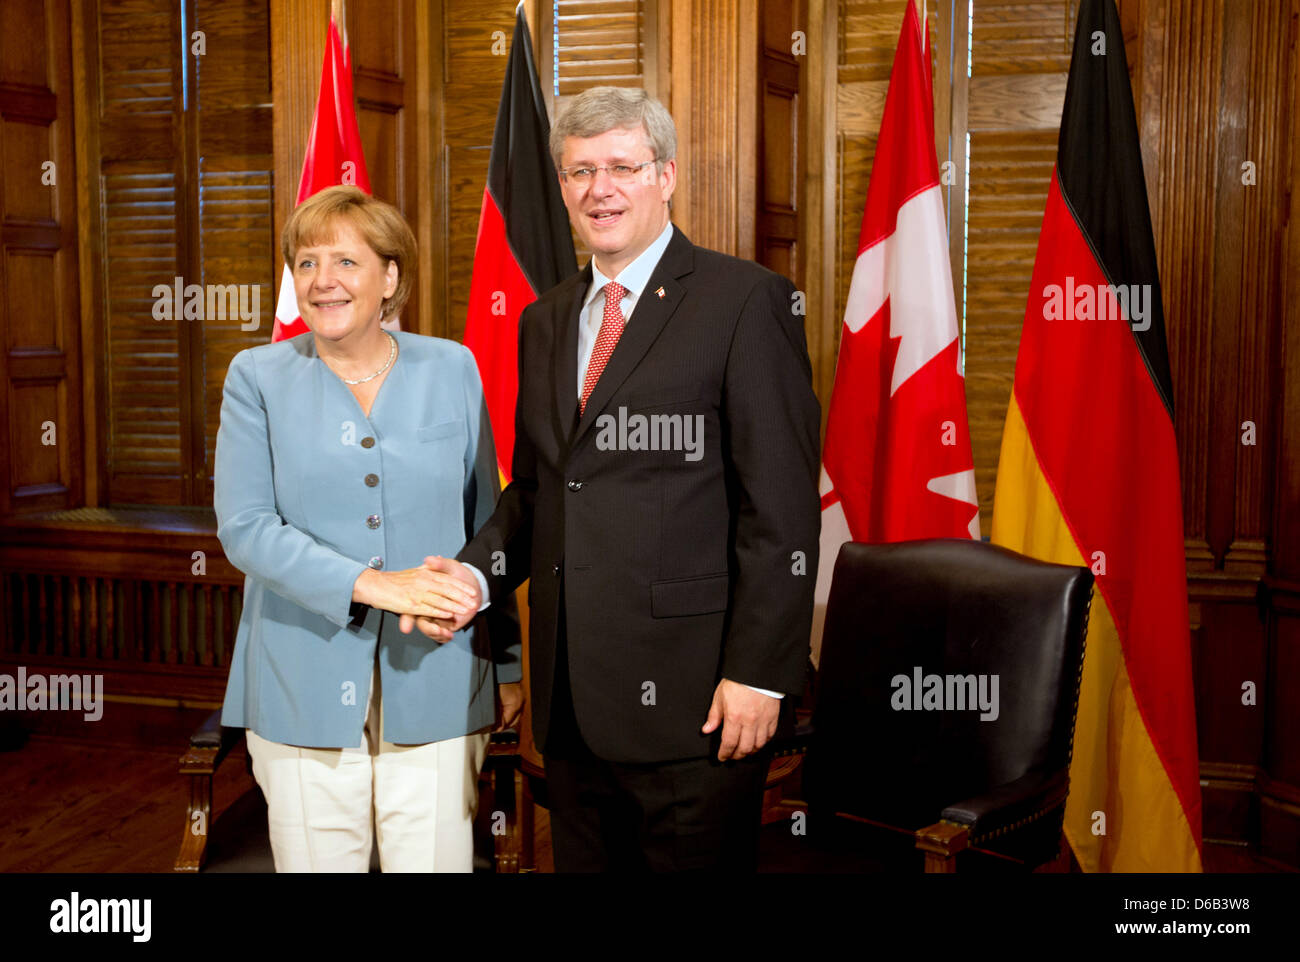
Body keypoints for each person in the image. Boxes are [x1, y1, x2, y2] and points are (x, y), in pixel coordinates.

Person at [409, 87, 821, 871]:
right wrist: (470, 575)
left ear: (665, 175)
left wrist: (760, 676)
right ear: (562, 188)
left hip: (699, 705)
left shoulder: (746, 303)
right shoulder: (547, 319)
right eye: (579, 172)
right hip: (572, 706)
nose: (600, 189)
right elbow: (537, 489)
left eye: (622, 167)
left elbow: (781, 512)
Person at [214, 185, 523, 872]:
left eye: (346, 262)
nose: (322, 280)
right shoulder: (256, 376)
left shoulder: (453, 367)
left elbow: (488, 529)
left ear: (390, 276)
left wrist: (506, 663)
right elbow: (245, 528)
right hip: (300, 681)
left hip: (441, 676)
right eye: (305, 262)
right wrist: (377, 586)